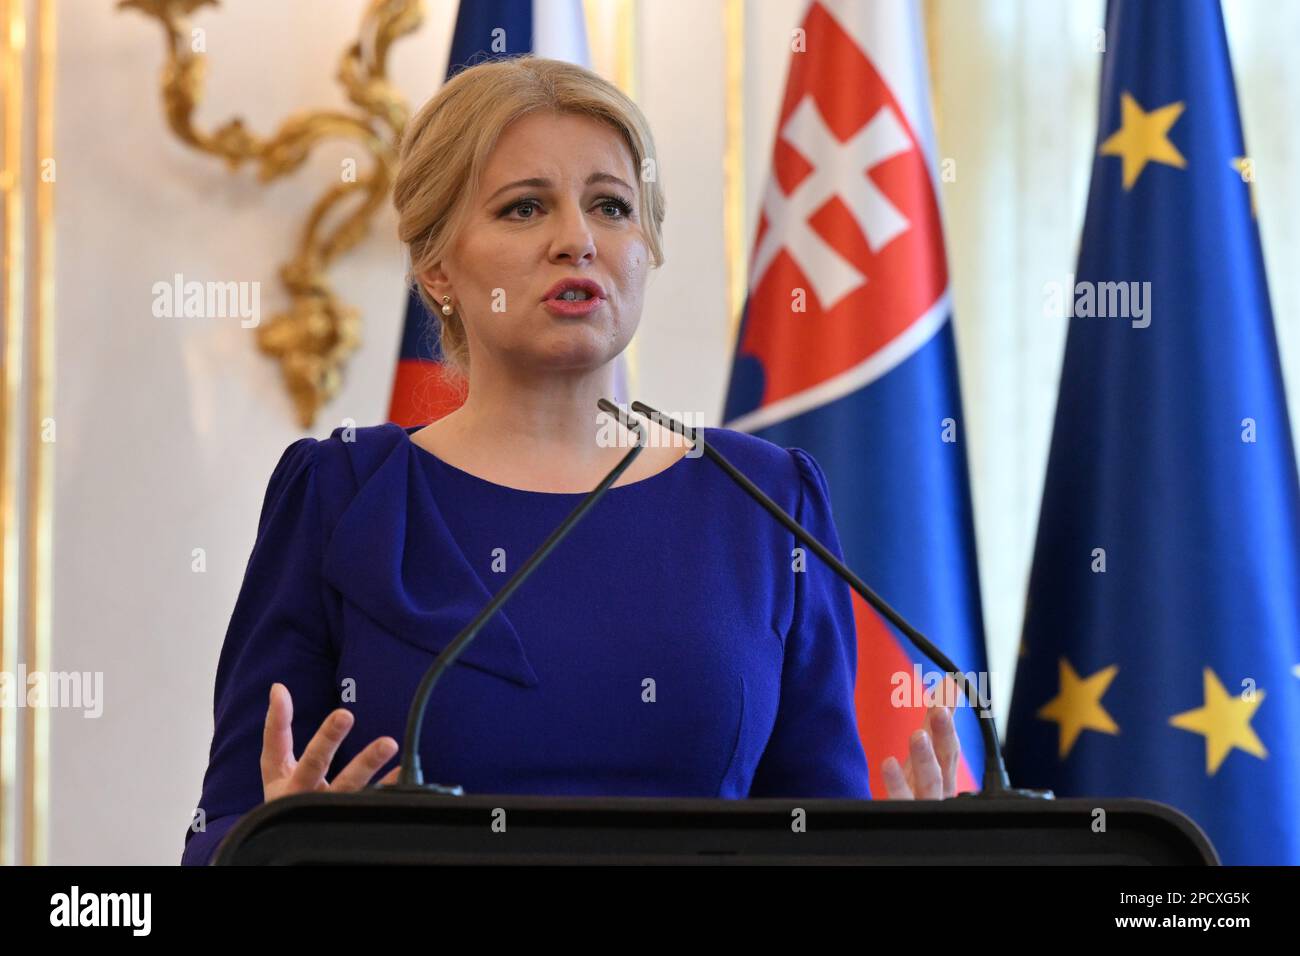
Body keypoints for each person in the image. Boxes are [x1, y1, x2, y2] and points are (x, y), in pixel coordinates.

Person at [182, 56, 960, 866]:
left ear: (646, 248)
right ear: (437, 268)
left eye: (611, 207)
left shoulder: (764, 501)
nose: (577, 241)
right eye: (524, 208)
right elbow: (220, 833)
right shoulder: (343, 496)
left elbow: (819, 834)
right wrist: (275, 847)